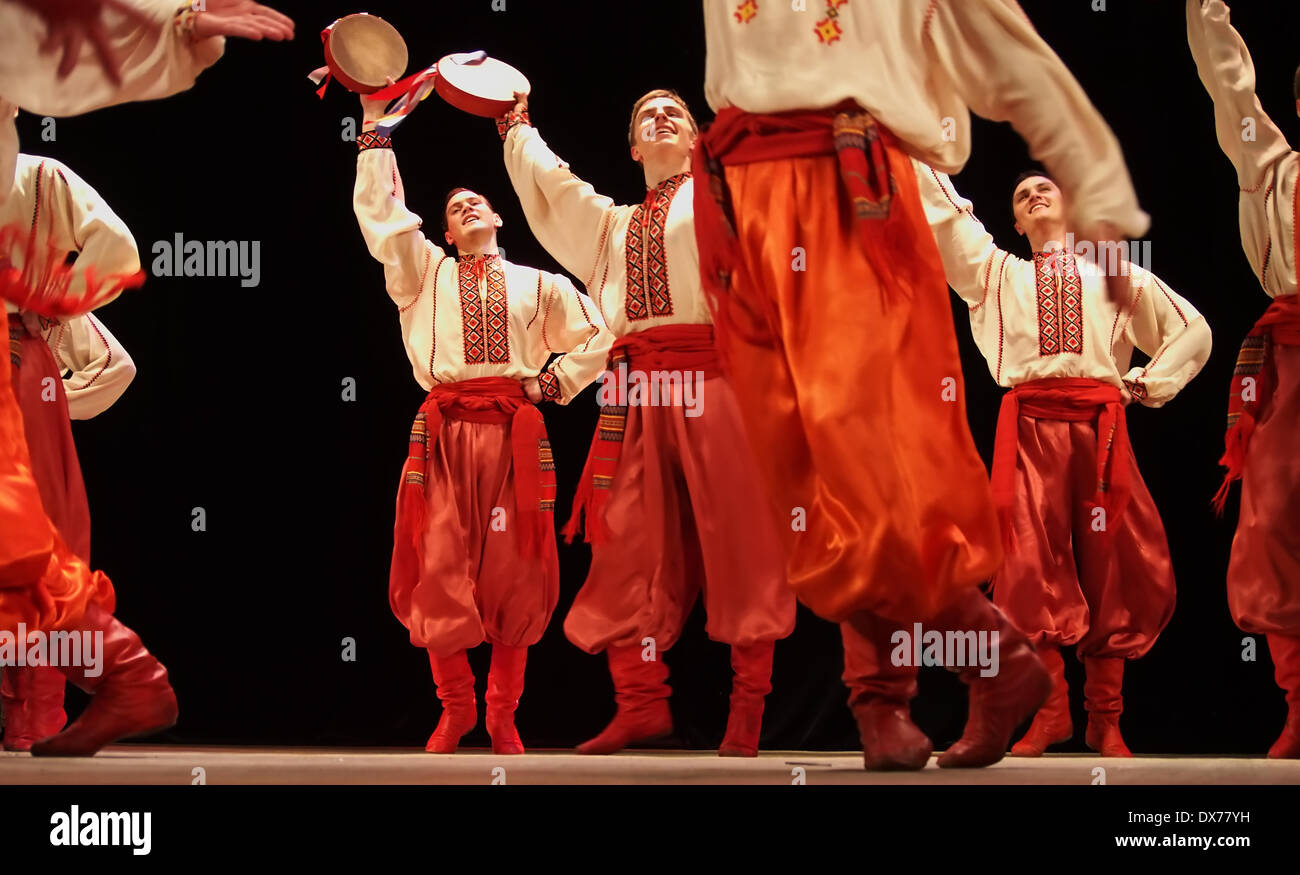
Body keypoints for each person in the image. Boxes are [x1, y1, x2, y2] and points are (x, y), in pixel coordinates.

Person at [695, 0, 1150, 769]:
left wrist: (1093, 181)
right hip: (734, 194)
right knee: (797, 473)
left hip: (842, 179)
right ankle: (891, 702)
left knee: (866, 467)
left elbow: (1002, 48)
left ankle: (977, 663)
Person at [0, 0, 292, 756]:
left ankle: (95, 688)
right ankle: (118, 677)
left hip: (18, 357)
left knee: (22, 543)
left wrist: (172, 23)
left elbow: (49, 31)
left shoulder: (39, 178)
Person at [497, 88, 796, 757]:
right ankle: (640, 702)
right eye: (644, 117)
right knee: (626, 545)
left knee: (740, 545)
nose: (660, 118)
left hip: (717, 385)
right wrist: (513, 120)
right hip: (638, 393)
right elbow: (555, 187)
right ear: (634, 148)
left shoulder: (727, 196)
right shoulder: (612, 227)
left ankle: (747, 710)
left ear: (697, 137)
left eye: (676, 113)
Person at [916, 163, 1211, 756]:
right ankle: (1051, 714)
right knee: (1029, 566)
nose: (1033, 195)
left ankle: (1106, 719)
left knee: (1114, 565)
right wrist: (909, 145)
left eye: (1045, 188)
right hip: (1028, 430)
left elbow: (1192, 329)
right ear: (1017, 221)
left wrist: (1146, 382)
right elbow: (948, 218)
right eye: (1022, 195)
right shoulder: (998, 274)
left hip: (1099, 431)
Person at [352, 87, 613, 755]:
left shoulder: (539, 284)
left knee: (514, 572)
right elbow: (384, 218)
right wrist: (377, 135)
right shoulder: (424, 275)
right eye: (451, 208)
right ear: (444, 232)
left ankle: (501, 711)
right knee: (439, 564)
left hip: (515, 437)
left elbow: (603, 332)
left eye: (475, 200)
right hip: (442, 440)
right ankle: (456, 706)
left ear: (498, 214)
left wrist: (553, 382)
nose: (465, 206)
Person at [1188, 0, 1300, 758]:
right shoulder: (1275, 165)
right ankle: (1299, 704)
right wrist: (1206, 11)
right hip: (1292, 362)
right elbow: (1232, 90)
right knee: (1276, 524)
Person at [2, 152, 139, 751]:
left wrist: (53, 394)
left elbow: (115, 248)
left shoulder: (38, 177)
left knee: (38, 545)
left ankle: (39, 712)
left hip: (17, 359)